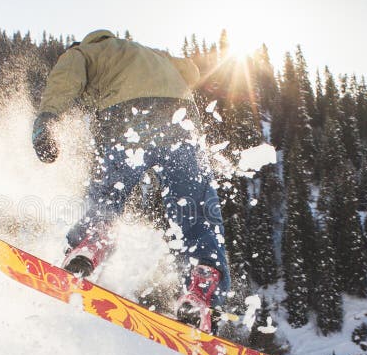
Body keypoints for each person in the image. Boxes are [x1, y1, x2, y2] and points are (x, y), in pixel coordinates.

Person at [31, 29, 231, 333]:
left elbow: (66, 78)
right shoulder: (152, 53)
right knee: (194, 206)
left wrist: (47, 119)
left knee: (109, 191)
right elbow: (191, 71)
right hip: (181, 119)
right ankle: (202, 286)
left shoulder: (84, 52)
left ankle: (90, 244)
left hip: (128, 116)